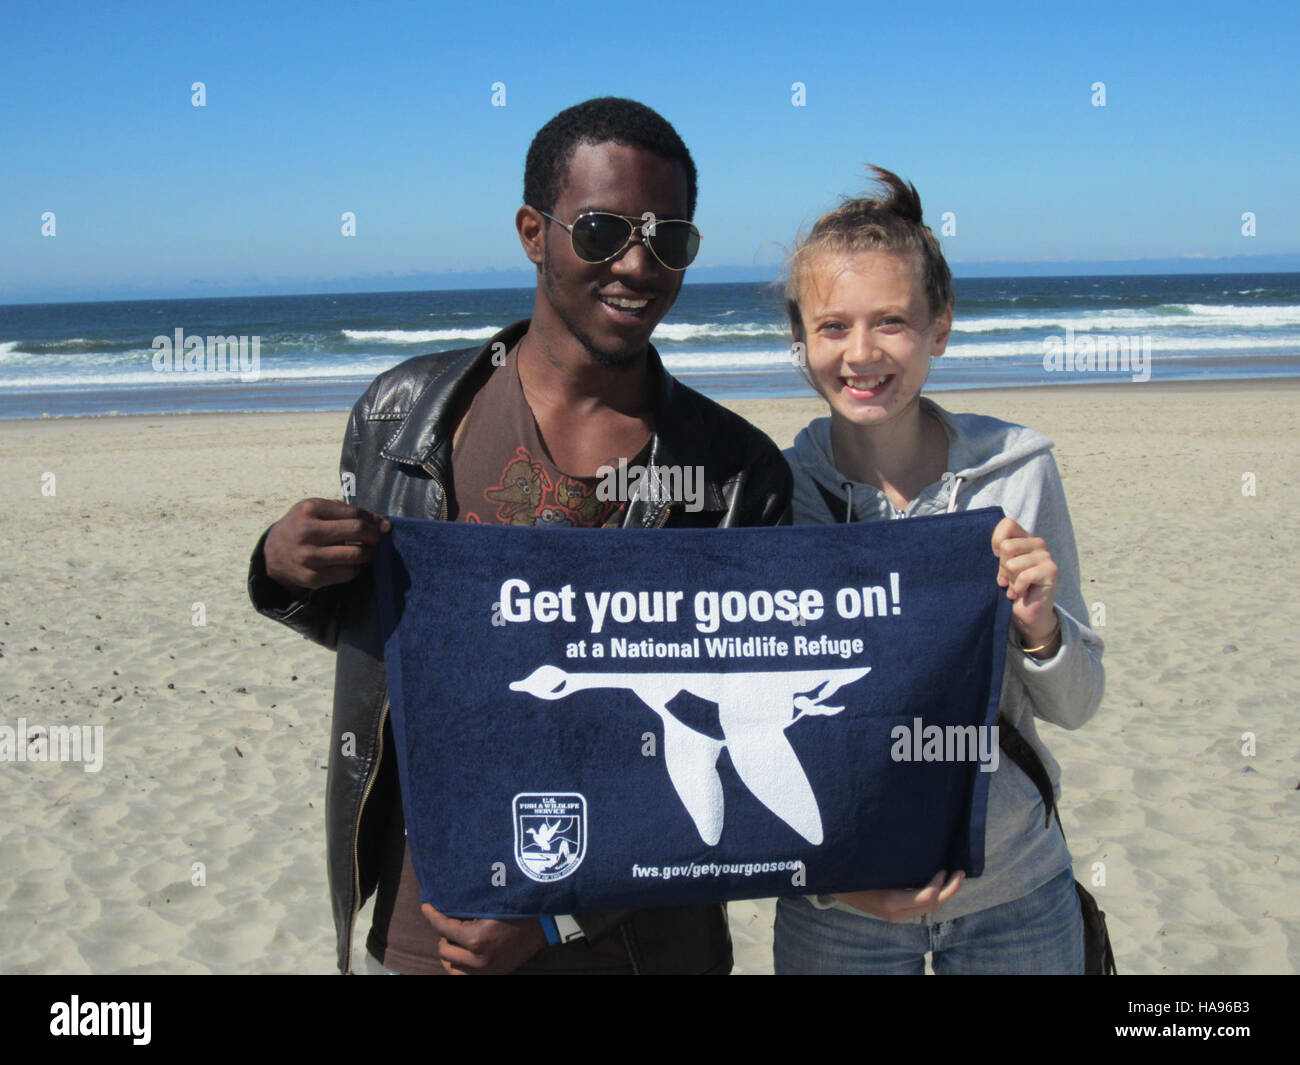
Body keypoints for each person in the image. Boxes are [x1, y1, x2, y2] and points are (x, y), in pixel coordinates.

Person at [246, 97, 791, 975]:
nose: (639, 263)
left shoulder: (735, 474)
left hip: (645, 942)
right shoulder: (403, 417)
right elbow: (389, 637)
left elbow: (736, 732)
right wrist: (283, 567)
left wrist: (556, 919)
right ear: (534, 231)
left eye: (671, 237)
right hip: (435, 923)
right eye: (605, 229)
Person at [773, 167, 1104, 974]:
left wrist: (1041, 628)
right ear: (800, 339)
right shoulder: (775, 495)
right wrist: (838, 883)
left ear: (941, 327)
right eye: (832, 326)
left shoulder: (1018, 471)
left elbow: (1077, 704)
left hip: (1016, 892)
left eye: (892, 322)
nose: (861, 353)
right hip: (838, 904)